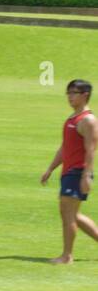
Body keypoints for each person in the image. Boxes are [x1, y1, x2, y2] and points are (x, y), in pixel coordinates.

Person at [40, 79, 97, 264]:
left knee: (68, 214)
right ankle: (67, 255)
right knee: (73, 215)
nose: (70, 97)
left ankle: (67, 256)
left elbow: (91, 150)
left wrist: (86, 176)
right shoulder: (72, 119)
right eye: (68, 93)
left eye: (74, 93)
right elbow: (65, 148)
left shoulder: (88, 120)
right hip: (68, 172)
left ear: (85, 95)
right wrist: (50, 168)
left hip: (78, 172)